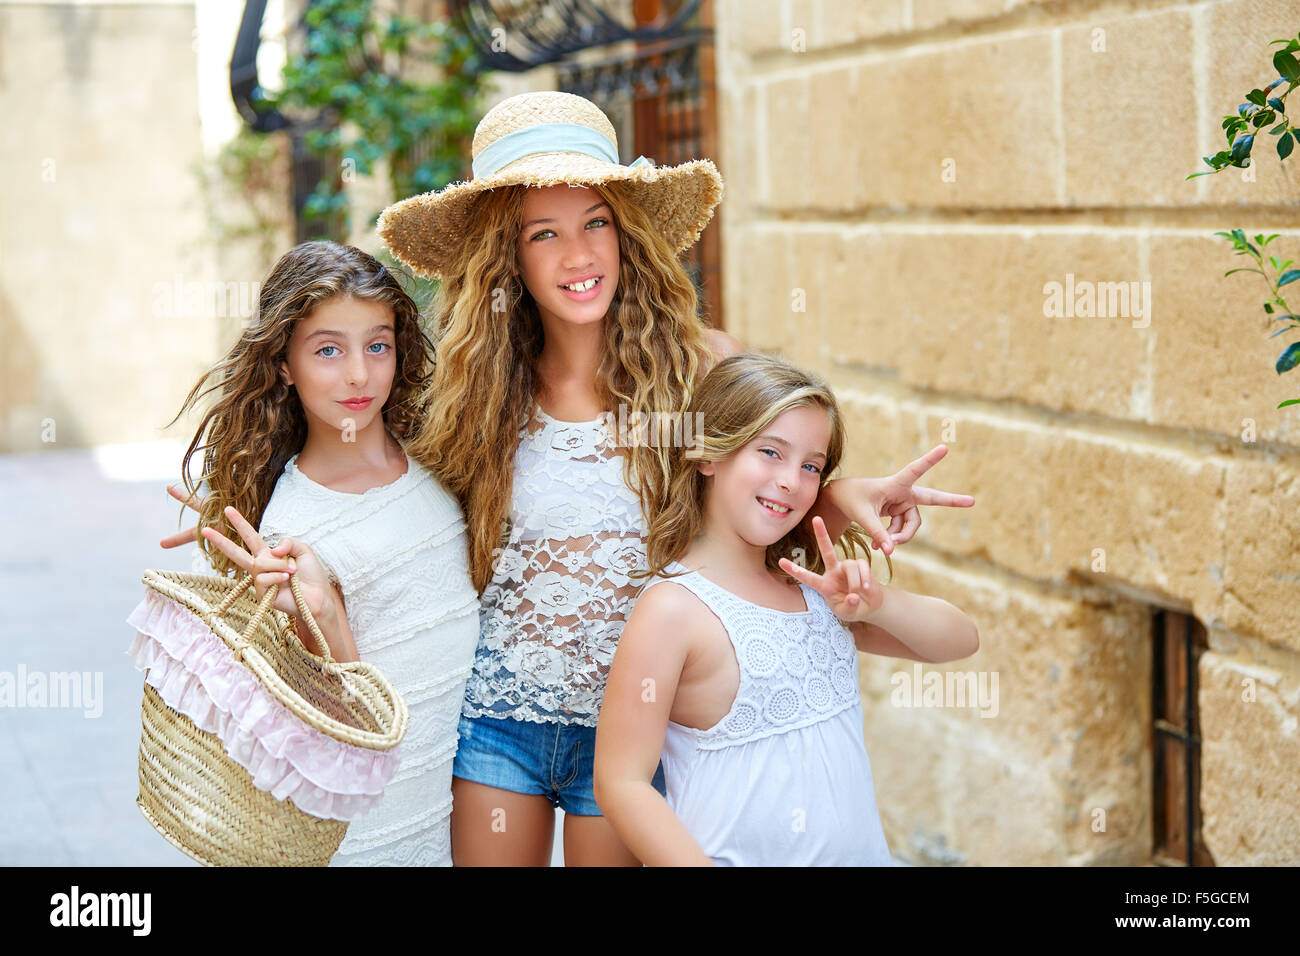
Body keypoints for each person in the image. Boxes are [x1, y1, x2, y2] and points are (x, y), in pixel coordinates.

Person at [374, 90, 976, 866]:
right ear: (509, 256)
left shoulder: (700, 365)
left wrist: (837, 494)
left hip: (636, 718)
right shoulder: (478, 390)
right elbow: (403, 510)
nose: (578, 254)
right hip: (501, 717)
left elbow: (761, 471)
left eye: (596, 222)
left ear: (625, 234)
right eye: (543, 234)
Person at [159, 241, 479, 866]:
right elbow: (328, 731)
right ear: (283, 365)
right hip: (376, 830)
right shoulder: (290, 530)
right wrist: (324, 616)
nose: (358, 374)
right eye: (328, 350)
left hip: (461, 807)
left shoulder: (439, 462)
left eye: (377, 344)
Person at [593, 353, 980, 865]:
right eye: (770, 452)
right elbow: (621, 781)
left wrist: (876, 605)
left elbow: (960, 640)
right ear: (709, 454)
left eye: (811, 466)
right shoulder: (673, 609)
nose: (790, 481)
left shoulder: (809, 587)